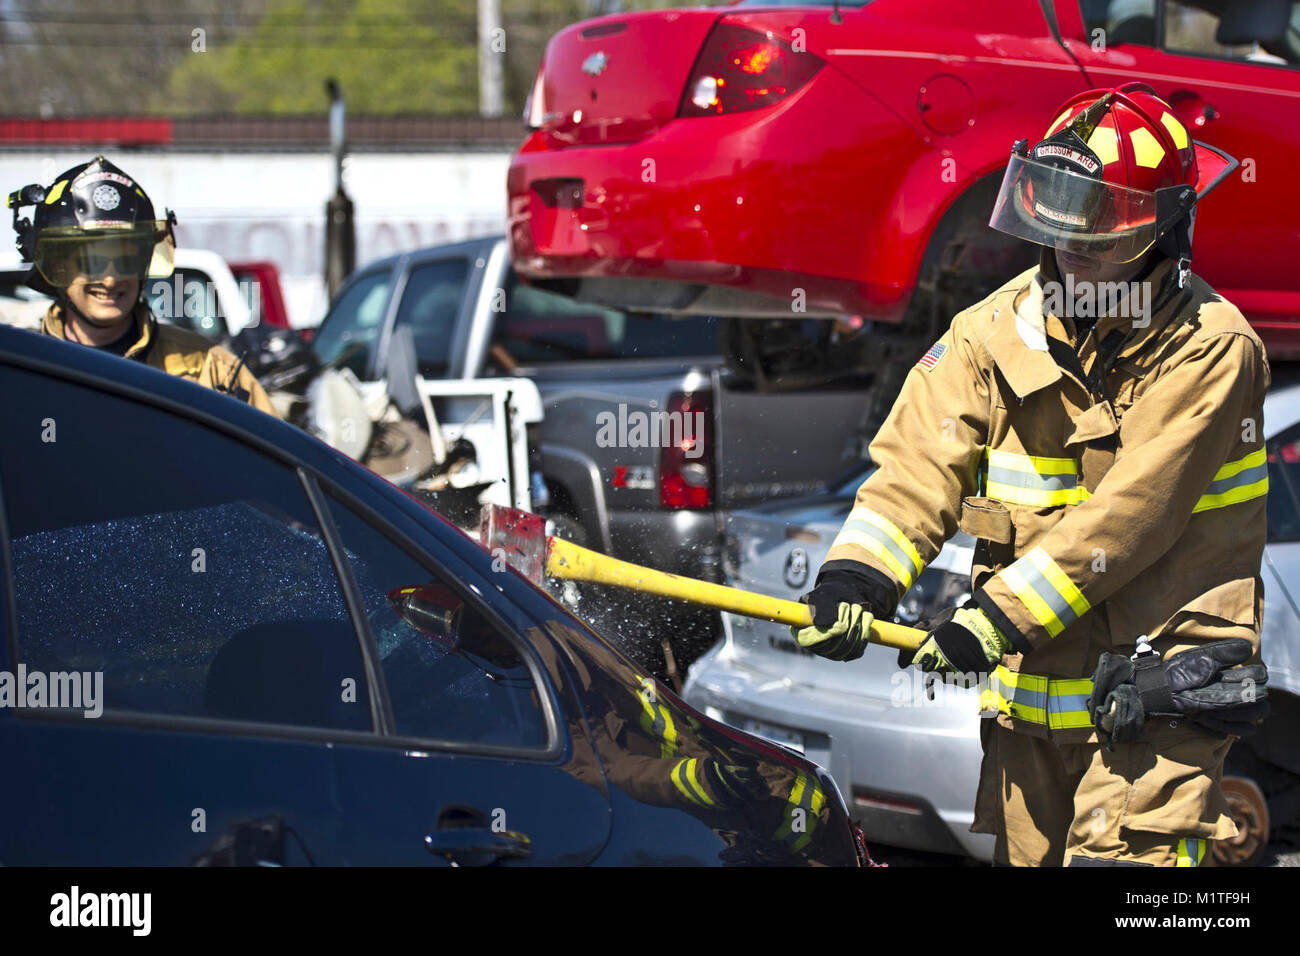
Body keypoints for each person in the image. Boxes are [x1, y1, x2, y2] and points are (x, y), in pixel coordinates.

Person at [792, 83, 1270, 866]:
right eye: (1057, 213)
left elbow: (1131, 515)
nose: (1071, 243)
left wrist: (996, 617)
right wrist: (858, 576)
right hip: (1031, 715)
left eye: (1100, 225)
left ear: (1162, 229)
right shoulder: (989, 332)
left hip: (1152, 708)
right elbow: (916, 465)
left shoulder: (1211, 348)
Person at [7, 156, 276, 415]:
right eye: (92, 261)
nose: (110, 279)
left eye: (126, 260)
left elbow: (270, 456)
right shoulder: (20, 369)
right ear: (58, 266)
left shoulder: (209, 368)